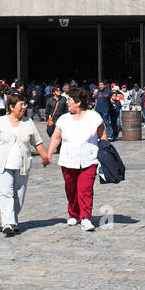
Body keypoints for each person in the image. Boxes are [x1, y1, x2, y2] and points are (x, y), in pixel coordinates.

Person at [0, 92, 50, 236]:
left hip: (22, 165)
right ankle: (8, 223)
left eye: (25, 104)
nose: (24, 107)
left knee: (19, 195)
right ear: (11, 107)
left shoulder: (28, 122)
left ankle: (13, 219)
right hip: (2, 165)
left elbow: (37, 142)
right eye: (21, 105)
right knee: (5, 194)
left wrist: (45, 157)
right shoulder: (0, 122)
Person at [48, 87, 106, 231]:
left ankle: (86, 217)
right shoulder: (64, 119)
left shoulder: (94, 117)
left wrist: (106, 154)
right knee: (71, 189)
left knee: (85, 189)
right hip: (68, 160)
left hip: (89, 159)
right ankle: (73, 213)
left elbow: (102, 136)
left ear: (78, 102)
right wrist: (47, 155)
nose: (67, 103)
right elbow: (56, 138)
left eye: (70, 100)